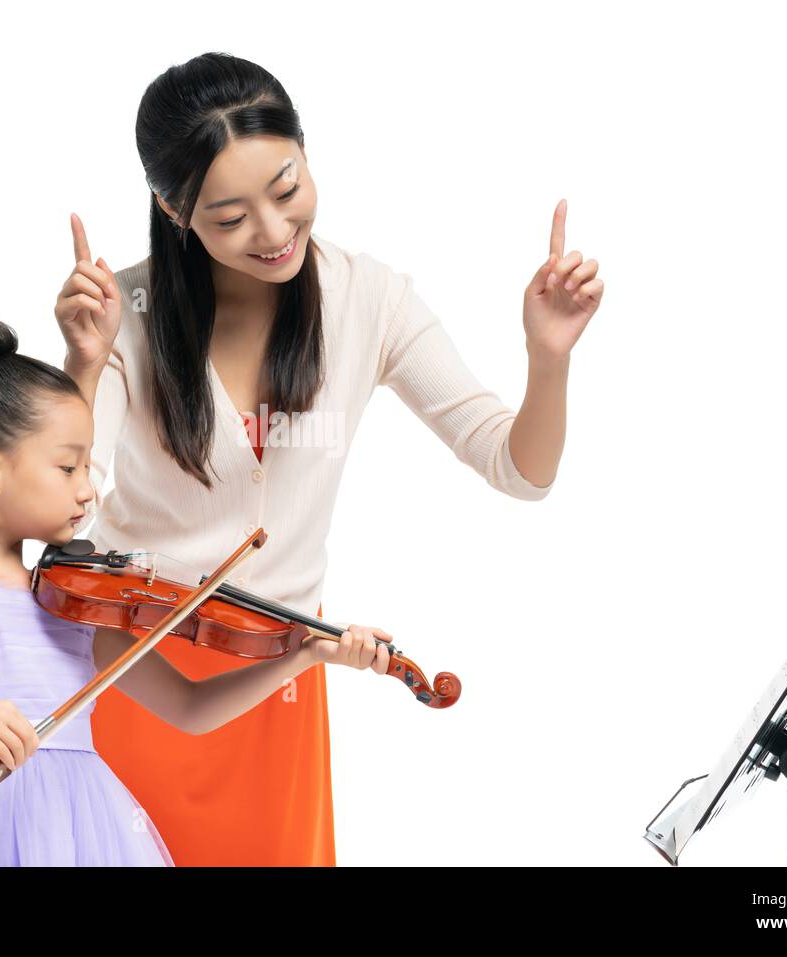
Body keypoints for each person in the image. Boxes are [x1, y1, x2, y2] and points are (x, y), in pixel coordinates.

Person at [55, 53, 604, 865]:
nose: (274, 234)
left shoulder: (369, 297)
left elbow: (518, 469)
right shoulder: (124, 311)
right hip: (133, 663)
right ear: (174, 210)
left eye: (286, 190)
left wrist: (548, 357)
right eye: (231, 216)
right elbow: (63, 502)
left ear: (307, 155)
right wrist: (84, 364)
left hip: (271, 673)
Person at [0, 315, 393, 866]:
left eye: (89, 468)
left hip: (70, 836)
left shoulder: (73, 607)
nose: (88, 491)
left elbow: (190, 707)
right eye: (68, 467)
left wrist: (305, 656)